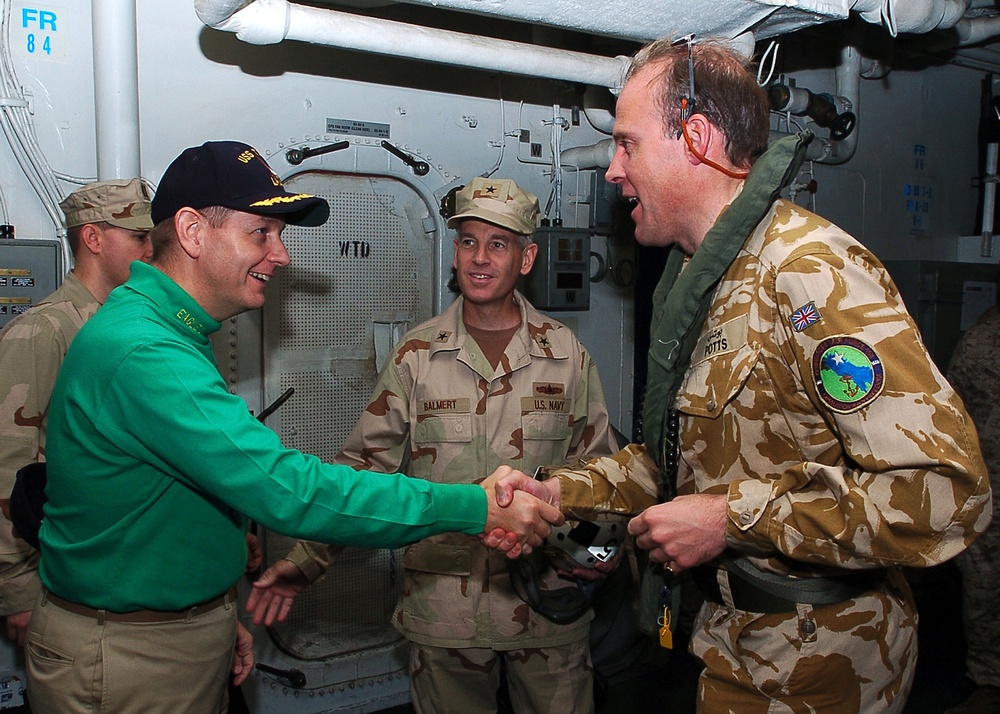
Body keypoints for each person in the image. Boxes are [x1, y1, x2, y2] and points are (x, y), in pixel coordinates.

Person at [515, 38, 991, 713]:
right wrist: (553, 492)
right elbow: (677, 464)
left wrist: (731, 518)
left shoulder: (808, 272)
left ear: (697, 139)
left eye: (628, 144)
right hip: (737, 639)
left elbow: (944, 496)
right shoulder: (704, 280)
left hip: (820, 658)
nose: (613, 171)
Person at [24, 141, 563, 714]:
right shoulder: (146, 352)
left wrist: (209, 614)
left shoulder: (166, 332)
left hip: (166, 634)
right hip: (131, 659)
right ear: (191, 231)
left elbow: (168, 498)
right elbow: (288, 490)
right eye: (262, 232)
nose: (281, 255)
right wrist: (475, 507)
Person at [247, 176, 648, 714]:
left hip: (548, 606)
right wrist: (306, 562)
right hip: (445, 610)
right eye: (467, 242)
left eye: (498, 244)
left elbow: (600, 470)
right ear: (454, 254)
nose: (480, 258)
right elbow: (365, 470)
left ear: (526, 258)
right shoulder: (417, 356)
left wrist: (601, 553)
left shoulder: (565, 353)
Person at [0, 178, 154, 648]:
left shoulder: (133, 325)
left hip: (126, 567)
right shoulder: (45, 330)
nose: (151, 251)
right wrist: (18, 589)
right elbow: (6, 463)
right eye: (139, 238)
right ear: (93, 239)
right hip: (61, 577)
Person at [945, 307, 1000, 714]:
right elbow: (952, 412)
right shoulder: (982, 340)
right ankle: (990, 681)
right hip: (989, 488)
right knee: (984, 584)